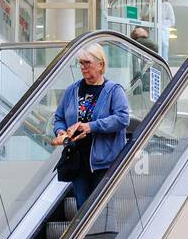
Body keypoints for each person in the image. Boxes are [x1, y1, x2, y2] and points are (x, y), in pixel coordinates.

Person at [51, 44, 131, 208]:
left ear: (100, 64)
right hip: (77, 160)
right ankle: (85, 235)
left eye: (87, 62)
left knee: (101, 210)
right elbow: (59, 118)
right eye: (80, 63)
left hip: (104, 163)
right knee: (82, 209)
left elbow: (123, 119)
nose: (83, 67)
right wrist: (61, 132)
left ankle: (103, 235)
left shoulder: (114, 91)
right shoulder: (72, 90)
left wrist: (91, 126)